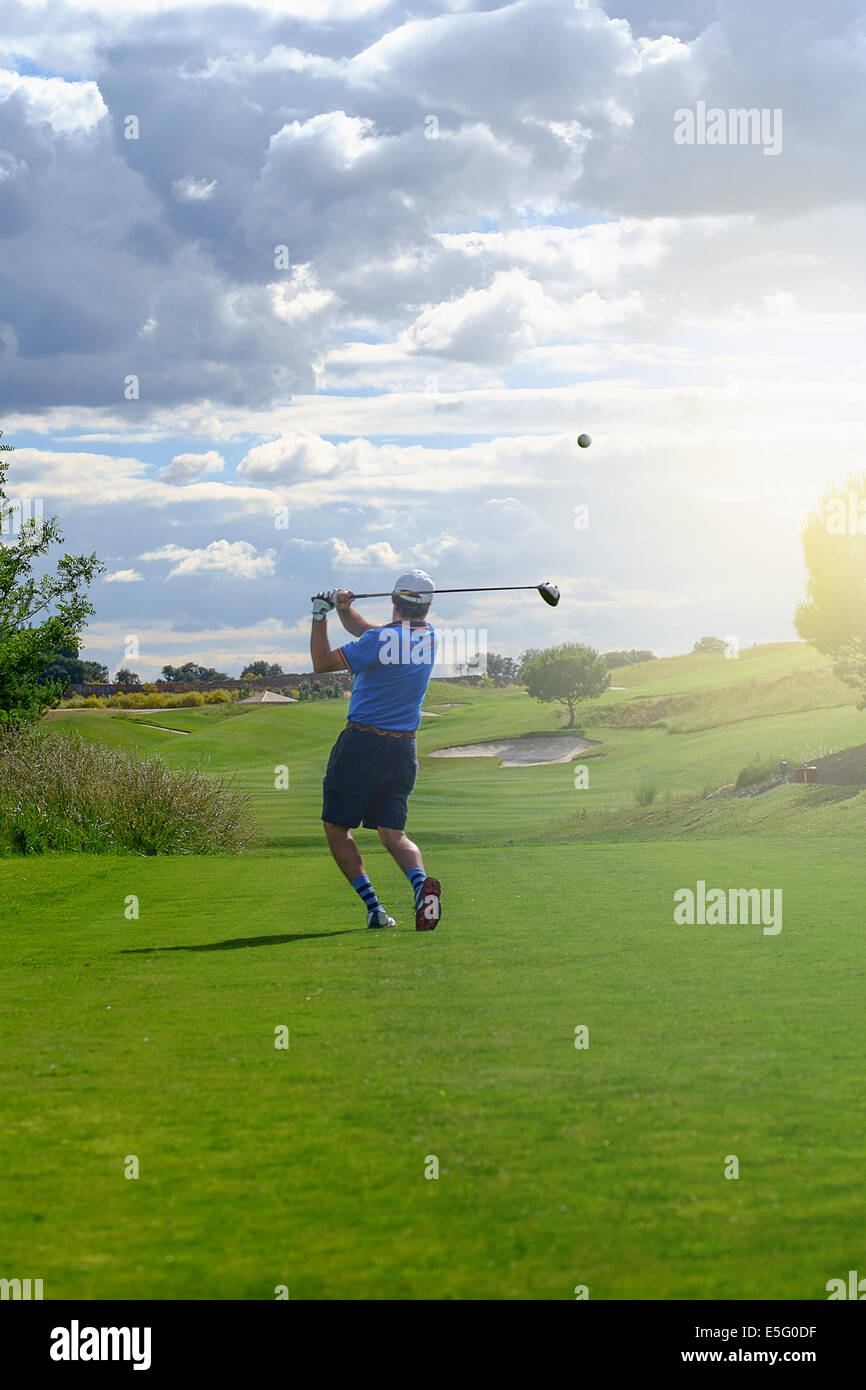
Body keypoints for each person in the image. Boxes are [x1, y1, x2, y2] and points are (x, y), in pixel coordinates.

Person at [310, 569, 442, 932]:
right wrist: (343, 610)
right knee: (394, 834)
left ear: (394, 600)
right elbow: (371, 634)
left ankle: (375, 909)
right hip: (403, 751)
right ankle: (420, 886)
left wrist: (320, 615)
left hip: (362, 746)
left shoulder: (382, 639)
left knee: (336, 826)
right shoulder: (428, 636)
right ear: (427, 606)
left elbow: (322, 664)